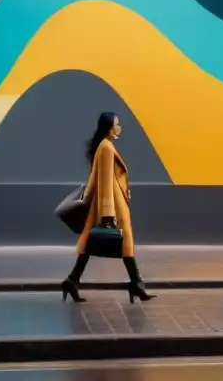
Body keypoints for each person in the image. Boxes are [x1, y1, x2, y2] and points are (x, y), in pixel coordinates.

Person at [60, 111, 155, 304]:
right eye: (117, 124)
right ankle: (136, 284)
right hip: (111, 207)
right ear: (109, 128)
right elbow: (103, 181)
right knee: (122, 244)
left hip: (111, 203)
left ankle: (72, 280)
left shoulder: (104, 147)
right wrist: (108, 213)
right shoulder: (106, 148)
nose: (119, 127)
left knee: (91, 245)